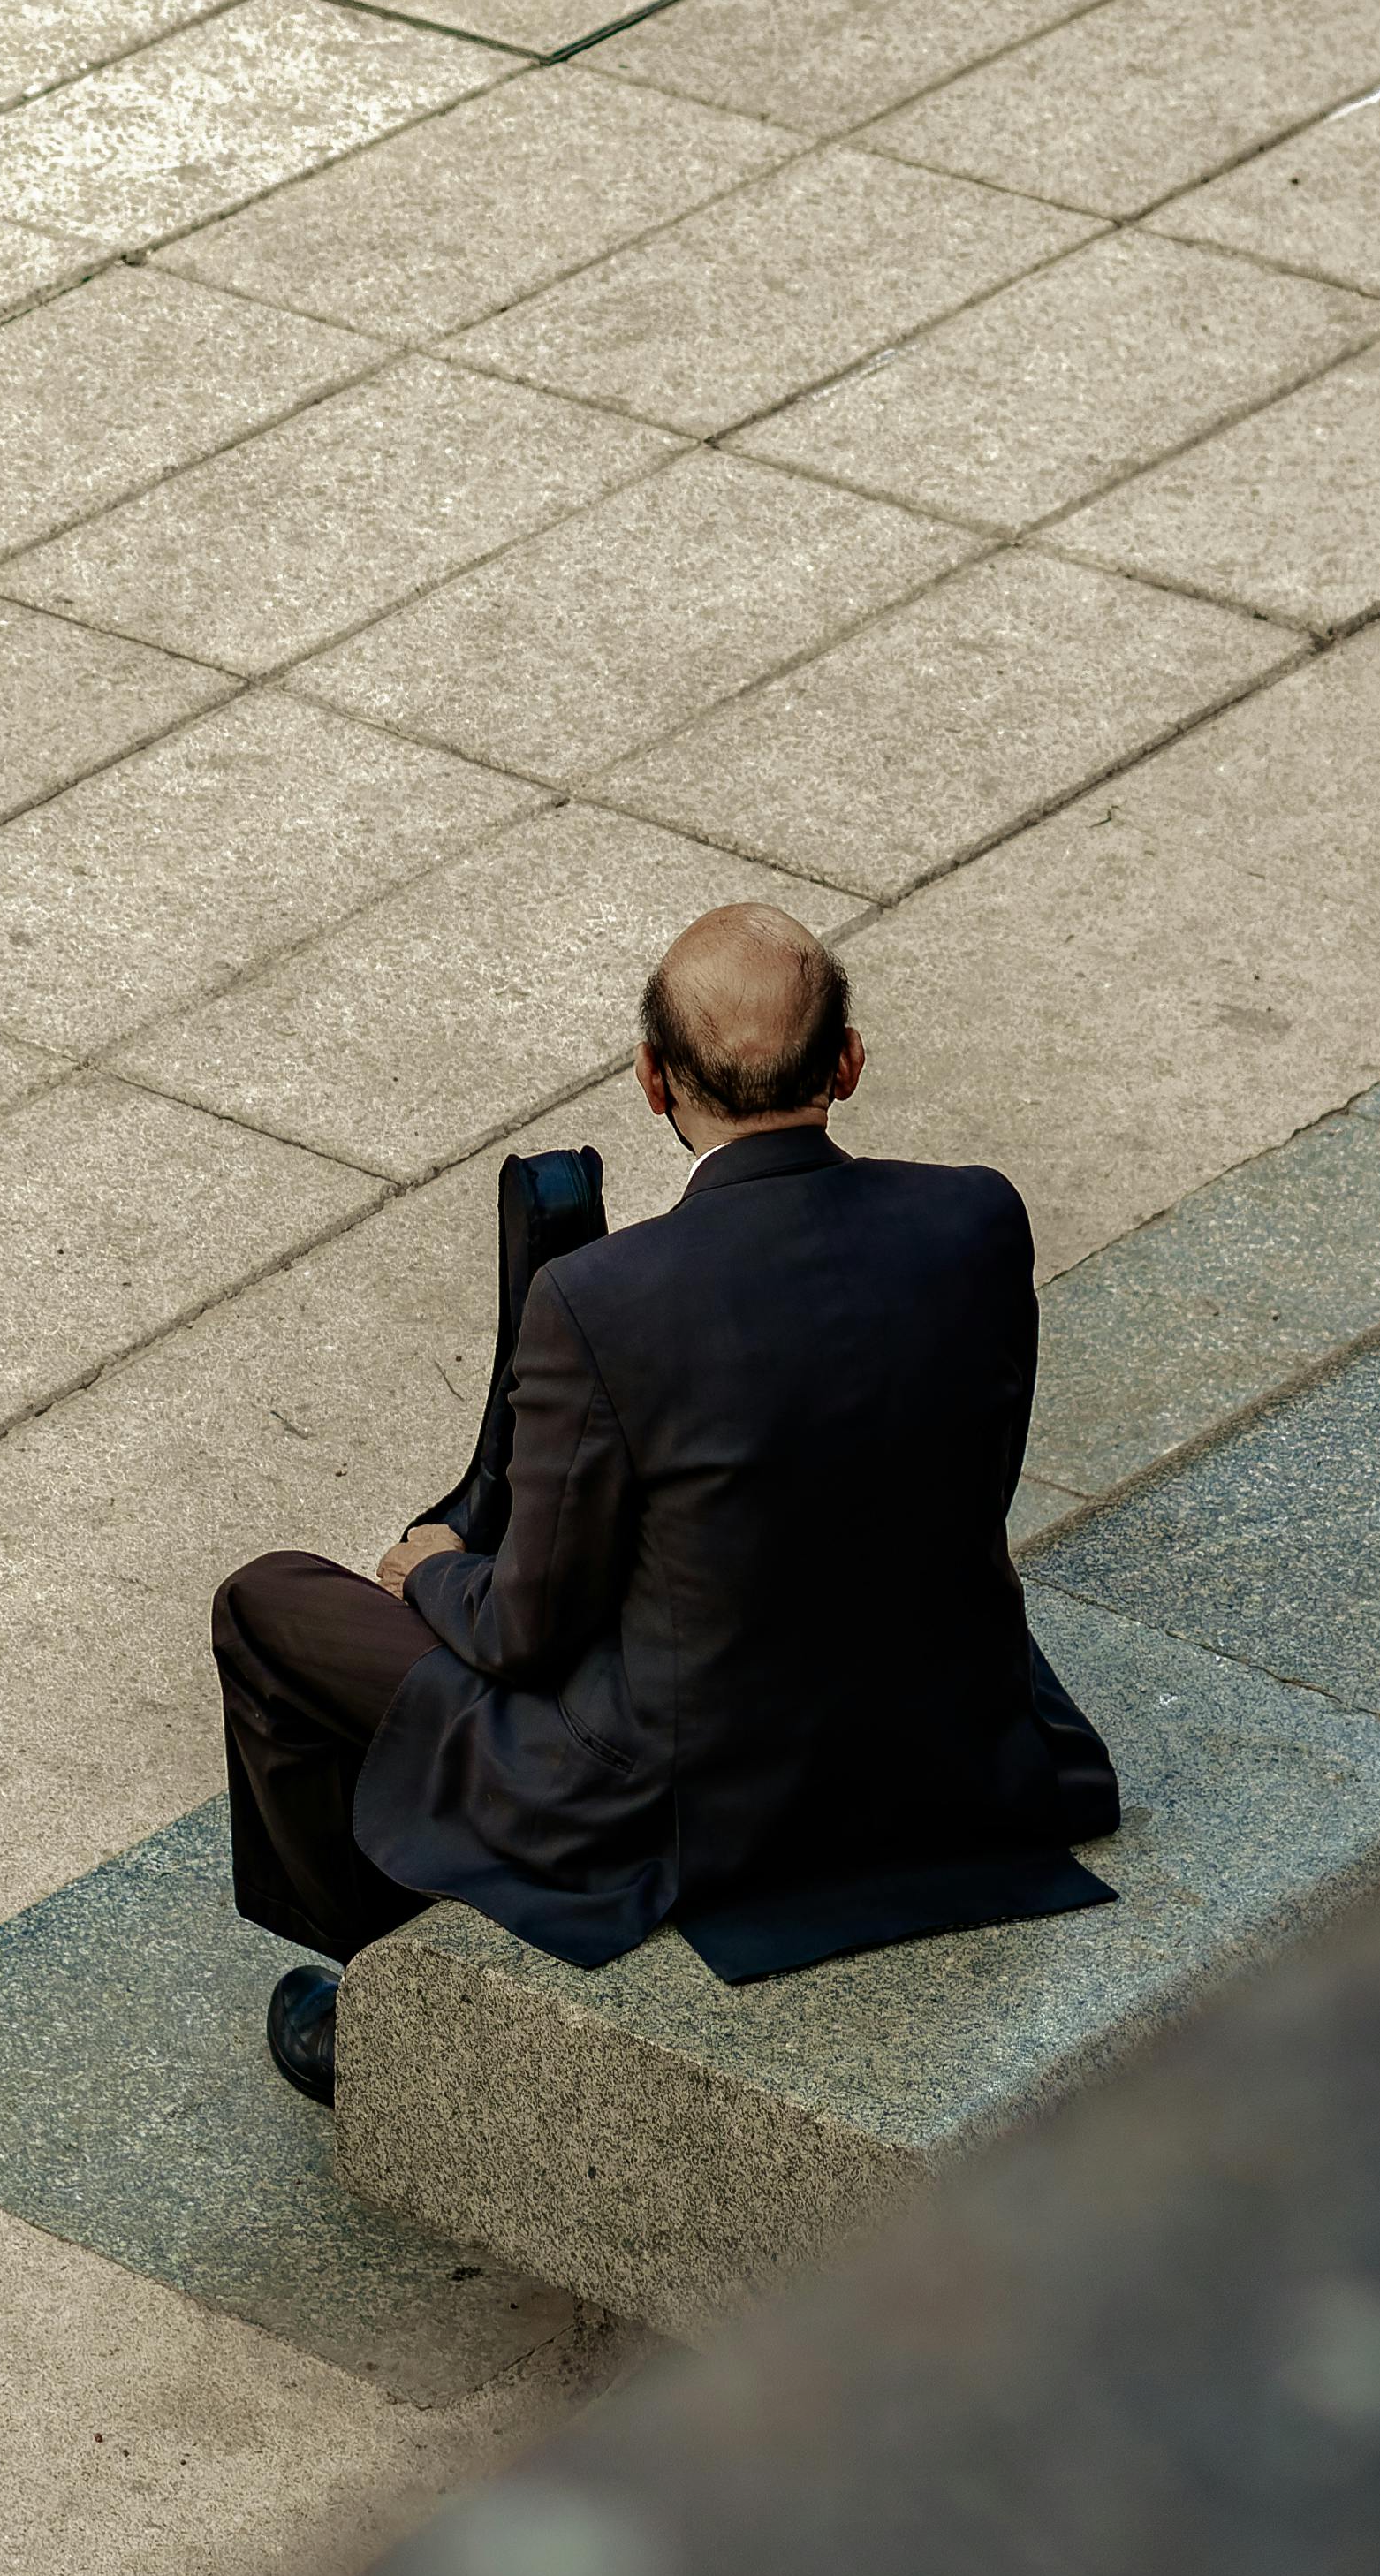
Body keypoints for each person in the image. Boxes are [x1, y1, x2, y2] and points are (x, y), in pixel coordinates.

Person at [210, 901, 1118, 2106]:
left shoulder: (602, 1299)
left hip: (696, 1801)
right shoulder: (974, 1218)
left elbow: (527, 1630)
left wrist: (429, 1571)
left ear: (651, 1080)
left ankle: (394, 2013)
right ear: (847, 1061)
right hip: (956, 1740)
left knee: (268, 1605)